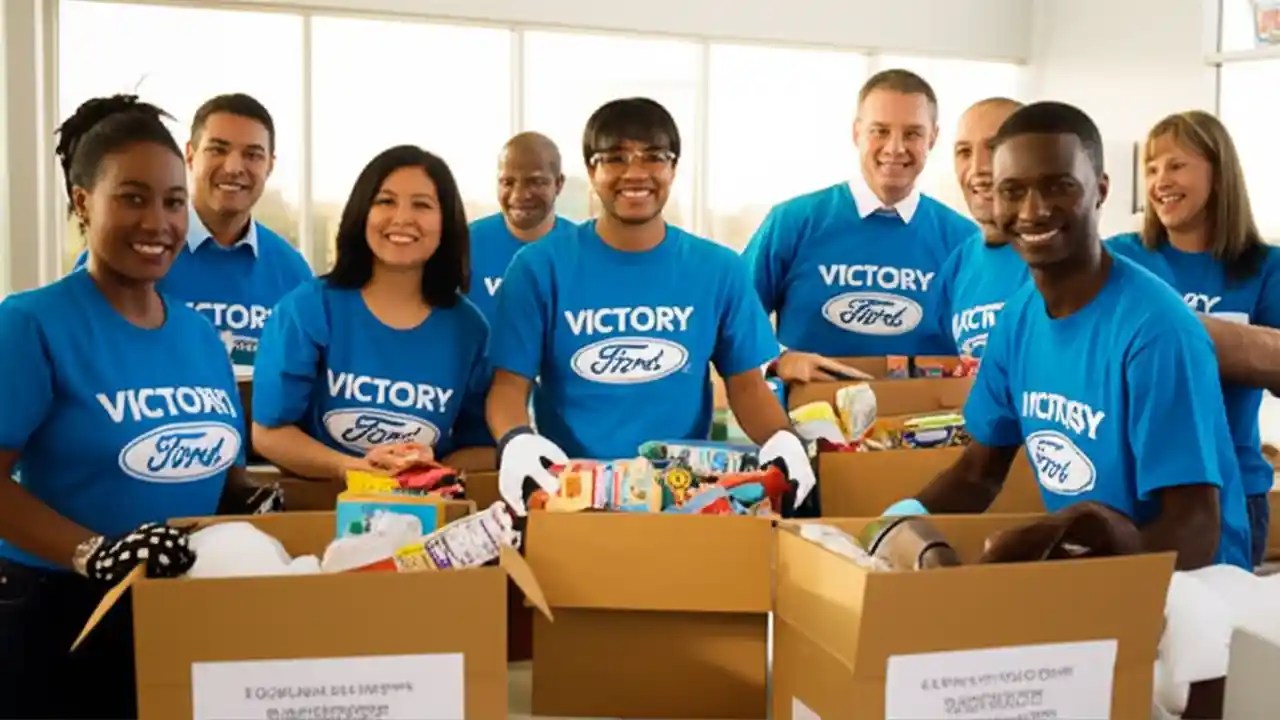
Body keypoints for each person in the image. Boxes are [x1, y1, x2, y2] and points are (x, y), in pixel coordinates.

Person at [908, 101, 1252, 570]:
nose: (1033, 211)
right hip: (1098, 578)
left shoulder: (1155, 332)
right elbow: (977, 473)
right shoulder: (1018, 319)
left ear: (1100, 191)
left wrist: (1062, 568)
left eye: (1059, 187)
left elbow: (1194, 530)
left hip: (1192, 596)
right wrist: (889, 526)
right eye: (1013, 190)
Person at [0, 95, 246, 719]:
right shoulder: (31, 323)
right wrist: (94, 552)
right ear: (83, 202)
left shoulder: (198, 336)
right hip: (58, 615)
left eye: (172, 202)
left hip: (179, 612)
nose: (158, 222)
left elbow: (220, 476)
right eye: (132, 197)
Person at [486, 97, 813, 515]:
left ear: (673, 168)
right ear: (591, 171)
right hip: (571, 497)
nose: (636, 173)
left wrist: (782, 438)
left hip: (686, 497)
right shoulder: (538, 268)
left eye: (654, 157)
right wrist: (516, 439)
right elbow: (508, 386)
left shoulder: (718, 269)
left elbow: (746, 386)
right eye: (615, 158)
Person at [251, 145, 495, 482]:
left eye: (422, 205)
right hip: (321, 513)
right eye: (385, 201)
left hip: (425, 515)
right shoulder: (309, 308)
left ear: (446, 221)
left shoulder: (469, 329)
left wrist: (432, 469)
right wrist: (350, 468)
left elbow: (484, 447)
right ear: (362, 211)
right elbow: (268, 433)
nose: (402, 218)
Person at [1106, 110, 1280, 567]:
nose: (1161, 179)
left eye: (1177, 165)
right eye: (1152, 168)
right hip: (1137, 488)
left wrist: (1181, 334)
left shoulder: (1266, 267)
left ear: (1219, 174)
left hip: (1236, 491)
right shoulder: (1120, 258)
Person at [743, 69, 978, 383]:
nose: (895, 148)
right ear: (856, 133)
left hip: (926, 427)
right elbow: (731, 318)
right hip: (807, 422)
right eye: (879, 131)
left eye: (912, 134)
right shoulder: (792, 222)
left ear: (933, 138)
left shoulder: (964, 241)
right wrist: (779, 361)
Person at [74, 93, 312, 368]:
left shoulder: (292, 272)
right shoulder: (133, 251)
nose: (234, 167)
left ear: (270, 165)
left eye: (252, 155)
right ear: (190, 155)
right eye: (218, 150)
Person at [931, 97, 1029, 357]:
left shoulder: (1064, 262)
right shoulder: (959, 265)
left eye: (995, 149)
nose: (978, 168)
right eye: (964, 152)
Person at [466, 132, 574, 325]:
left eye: (535, 182)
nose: (520, 195)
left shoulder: (581, 250)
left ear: (558, 184)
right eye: (507, 182)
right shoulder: (465, 244)